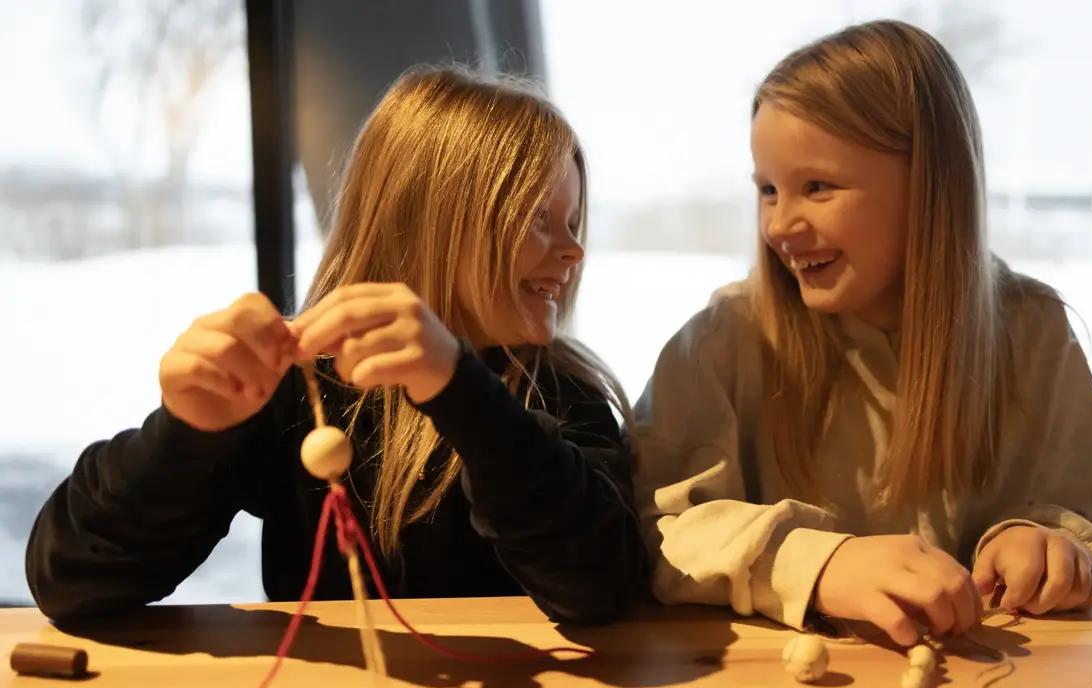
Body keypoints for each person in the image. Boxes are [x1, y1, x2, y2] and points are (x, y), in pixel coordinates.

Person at [28, 66, 644, 625]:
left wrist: (461, 389)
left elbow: (601, 586)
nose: (573, 251)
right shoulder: (302, 387)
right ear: (433, 221)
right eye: (539, 218)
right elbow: (73, 581)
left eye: (572, 223)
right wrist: (186, 436)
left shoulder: (566, 394)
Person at [635, 20, 1092, 646]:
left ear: (930, 186)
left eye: (816, 187)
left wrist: (1050, 550)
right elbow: (654, 529)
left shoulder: (1033, 334)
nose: (780, 224)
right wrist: (817, 565)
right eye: (768, 190)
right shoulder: (719, 342)